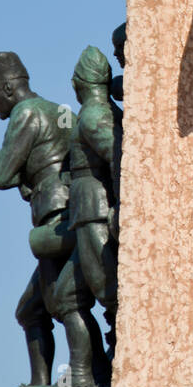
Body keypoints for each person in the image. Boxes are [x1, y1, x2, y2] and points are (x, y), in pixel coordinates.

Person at [0, 51, 107, 387]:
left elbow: (0, 174)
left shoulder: (26, 113)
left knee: (63, 301)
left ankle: (87, 376)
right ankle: (48, 382)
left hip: (54, 216)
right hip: (71, 210)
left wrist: (21, 177)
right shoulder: (61, 110)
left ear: (7, 87)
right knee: (33, 309)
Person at [68, 46, 122, 355]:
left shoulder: (93, 115)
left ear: (79, 83)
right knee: (66, 295)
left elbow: (116, 158)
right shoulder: (101, 112)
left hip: (93, 209)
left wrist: (121, 207)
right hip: (87, 207)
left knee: (106, 288)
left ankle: (118, 349)